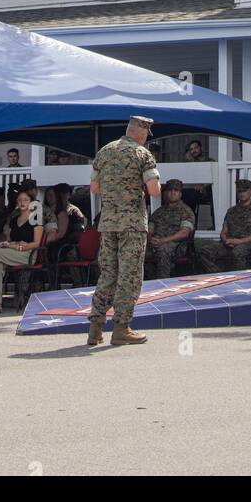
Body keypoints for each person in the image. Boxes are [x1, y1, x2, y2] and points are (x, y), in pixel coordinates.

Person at [87, 115, 160, 348]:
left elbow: (94, 188)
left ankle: (95, 328)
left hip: (108, 224)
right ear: (142, 133)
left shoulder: (104, 152)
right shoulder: (142, 154)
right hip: (133, 225)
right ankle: (121, 328)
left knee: (108, 274)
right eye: (146, 135)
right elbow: (154, 190)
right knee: (129, 275)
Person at [196, 179, 251, 274]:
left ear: (250, 192)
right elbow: (224, 231)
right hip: (229, 243)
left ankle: (240, 279)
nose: (242, 194)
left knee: (237, 253)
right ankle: (219, 275)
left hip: (248, 244)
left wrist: (239, 241)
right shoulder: (231, 211)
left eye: (244, 191)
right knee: (204, 251)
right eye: (239, 191)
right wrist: (226, 240)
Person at [147, 179, 195, 277]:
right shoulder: (159, 212)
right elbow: (149, 229)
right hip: (155, 243)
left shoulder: (186, 211)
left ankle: (162, 283)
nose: (172, 193)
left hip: (176, 244)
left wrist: (163, 241)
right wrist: (150, 239)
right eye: (170, 190)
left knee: (163, 250)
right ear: (165, 193)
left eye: (176, 191)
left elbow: (184, 233)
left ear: (180, 194)